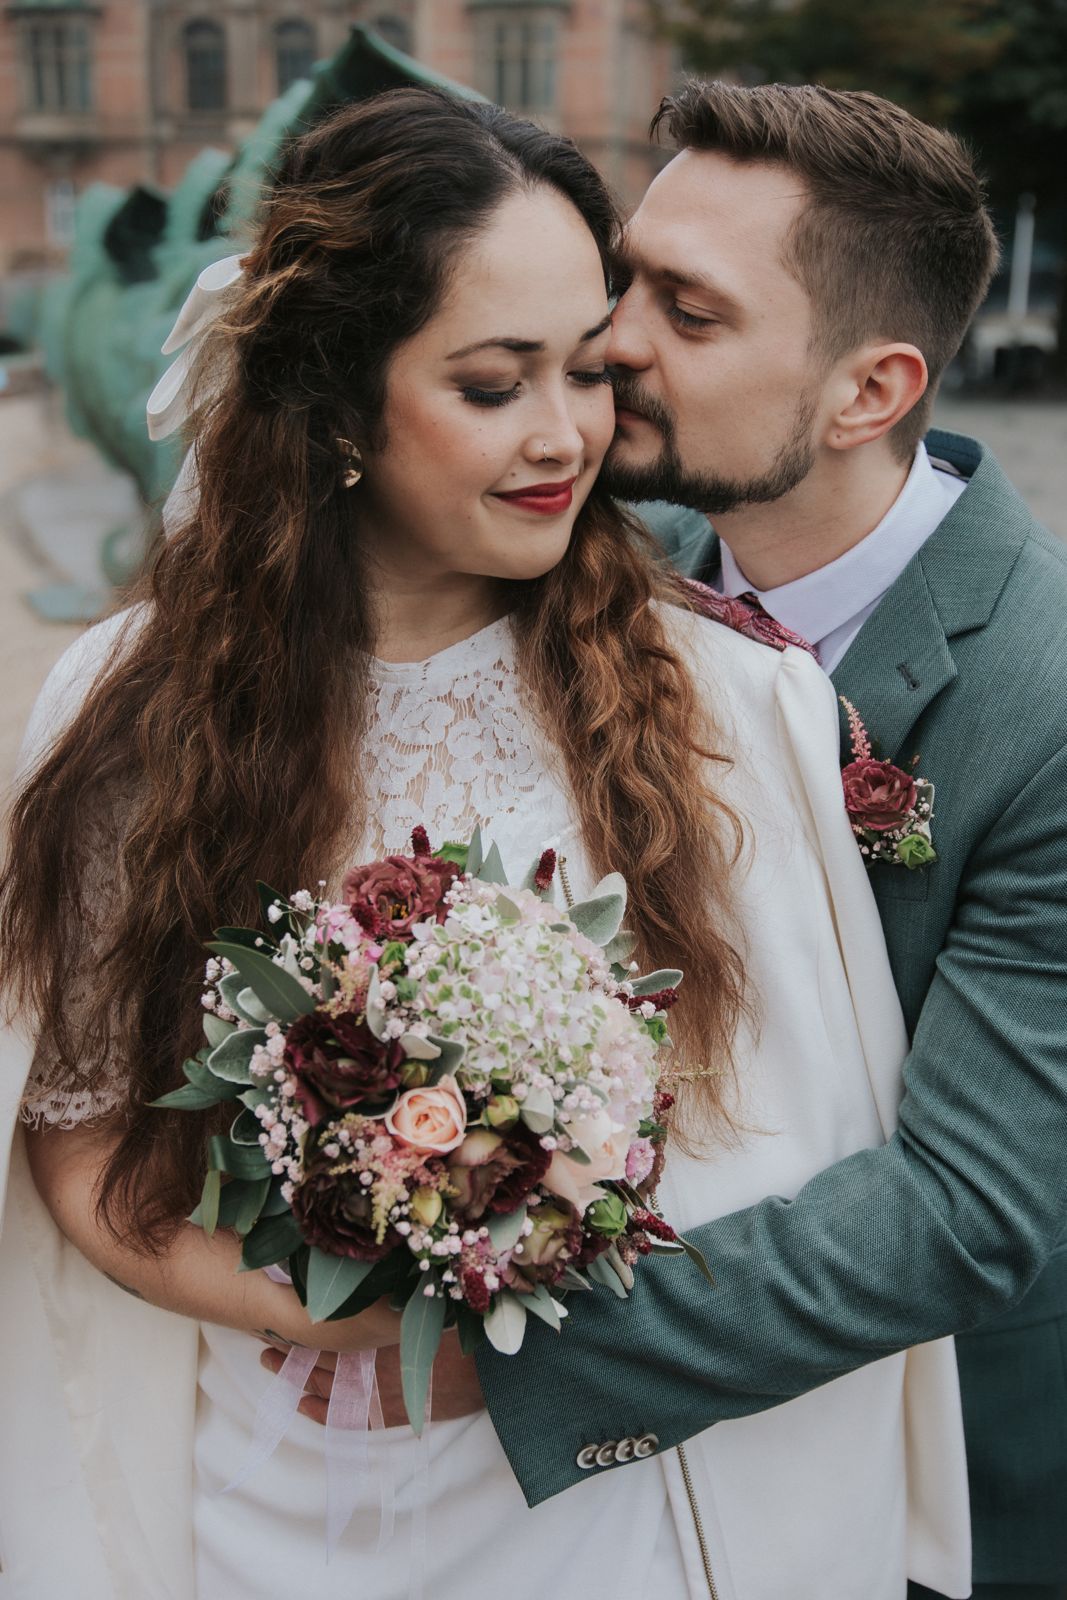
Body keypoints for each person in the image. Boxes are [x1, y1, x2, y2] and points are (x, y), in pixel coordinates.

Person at [0, 90, 967, 1600]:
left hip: (620, 1509)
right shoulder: (133, 709)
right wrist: (351, 1318)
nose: (565, 435)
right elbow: (85, 1140)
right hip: (280, 1489)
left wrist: (540, 1297)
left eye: (586, 369)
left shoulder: (727, 706)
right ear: (335, 401)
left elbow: (810, 1135)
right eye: (492, 383)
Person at [473, 82, 1067, 1600]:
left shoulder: (1045, 699)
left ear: (870, 392)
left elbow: (971, 1204)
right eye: (625, 277)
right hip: (619, 1515)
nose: (611, 343)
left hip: (938, 1472)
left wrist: (500, 1356)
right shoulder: (602, 554)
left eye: (689, 309)